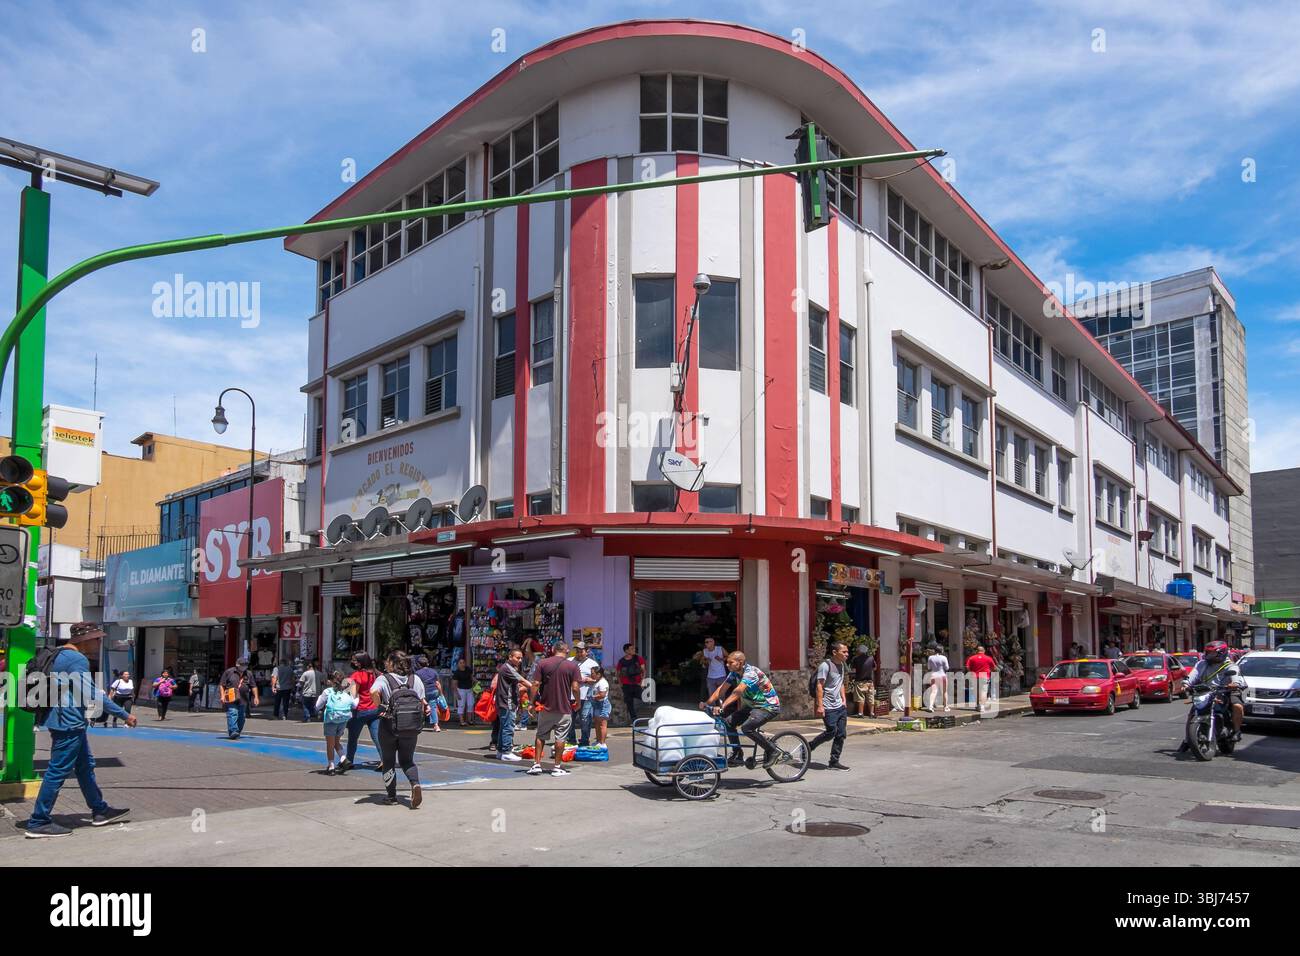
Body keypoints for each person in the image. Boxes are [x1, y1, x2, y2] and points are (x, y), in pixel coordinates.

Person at [25, 631, 137, 838]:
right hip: (69, 723)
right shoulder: (77, 659)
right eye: (96, 639)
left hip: (60, 718)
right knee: (57, 771)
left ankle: (100, 810)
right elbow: (91, 693)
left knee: (85, 766)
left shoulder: (59, 654)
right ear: (84, 641)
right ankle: (38, 821)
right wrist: (123, 715)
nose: (98, 642)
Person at [703, 651, 781, 768]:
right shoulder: (734, 673)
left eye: (730, 663)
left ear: (740, 663)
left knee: (747, 728)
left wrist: (722, 706)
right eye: (727, 663)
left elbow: (738, 691)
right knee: (728, 723)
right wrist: (706, 703)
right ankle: (737, 753)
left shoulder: (751, 673)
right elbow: (721, 689)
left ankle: (773, 751)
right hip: (751, 706)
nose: (727, 665)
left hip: (767, 707)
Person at [371, 651, 428, 807]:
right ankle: (415, 784)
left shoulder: (384, 678)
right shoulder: (415, 679)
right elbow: (422, 700)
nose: (385, 664)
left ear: (392, 663)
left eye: (387, 661)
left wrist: (380, 706)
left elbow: (373, 692)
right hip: (410, 725)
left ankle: (391, 796)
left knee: (388, 761)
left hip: (388, 724)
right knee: (407, 760)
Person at [528, 643, 581, 777]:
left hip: (545, 707)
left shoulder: (542, 663)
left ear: (553, 650)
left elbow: (535, 684)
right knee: (560, 738)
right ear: (566, 650)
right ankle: (557, 767)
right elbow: (575, 687)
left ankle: (537, 764)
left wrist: (531, 703)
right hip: (564, 709)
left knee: (540, 736)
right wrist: (578, 702)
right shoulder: (573, 666)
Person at [1183, 640, 1246, 743]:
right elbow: (1193, 675)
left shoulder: (1230, 665)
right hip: (1206, 692)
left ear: (1221, 653)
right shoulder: (1202, 664)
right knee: (1192, 713)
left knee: (1237, 706)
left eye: (1211, 653)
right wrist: (1186, 684)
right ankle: (1187, 739)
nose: (1208, 655)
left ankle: (1236, 731)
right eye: (1207, 652)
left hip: (1226, 690)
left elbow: (1236, 677)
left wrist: (1235, 684)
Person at [808, 641, 850, 771]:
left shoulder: (842, 665)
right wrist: (820, 706)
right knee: (831, 732)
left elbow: (840, 683)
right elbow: (819, 686)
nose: (847, 654)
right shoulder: (825, 666)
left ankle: (834, 761)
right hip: (828, 706)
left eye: (847, 652)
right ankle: (809, 746)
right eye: (844, 652)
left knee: (841, 734)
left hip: (840, 706)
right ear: (834, 652)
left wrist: (844, 699)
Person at [338, 653, 381, 773]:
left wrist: (345, 686)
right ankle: (385, 761)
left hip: (360, 711)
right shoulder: (376, 674)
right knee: (377, 737)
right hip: (374, 709)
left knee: (353, 738)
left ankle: (349, 760)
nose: (353, 663)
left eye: (355, 661)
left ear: (360, 662)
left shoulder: (357, 675)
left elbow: (352, 694)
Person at [495, 648, 532, 762]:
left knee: (504, 727)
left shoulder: (508, 668)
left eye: (521, 658)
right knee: (508, 727)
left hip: (505, 702)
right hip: (507, 702)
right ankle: (506, 751)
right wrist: (534, 687)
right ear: (510, 657)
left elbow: (517, 685)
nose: (520, 660)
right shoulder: (507, 668)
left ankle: (501, 751)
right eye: (517, 657)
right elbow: (523, 681)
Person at [316, 671, 357, 774]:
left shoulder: (327, 691)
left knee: (330, 744)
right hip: (343, 720)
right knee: (336, 742)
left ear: (331, 681)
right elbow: (354, 705)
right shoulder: (347, 692)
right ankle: (343, 758)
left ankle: (331, 766)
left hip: (330, 720)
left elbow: (318, 706)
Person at [567, 642, 599, 746]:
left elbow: (597, 680)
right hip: (570, 696)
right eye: (577, 651)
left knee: (585, 719)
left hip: (586, 696)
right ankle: (571, 740)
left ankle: (584, 740)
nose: (579, 653)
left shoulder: (592, 664)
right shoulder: (569, 661)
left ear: (587, 651)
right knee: (569, 719)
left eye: (581, 651)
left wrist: (586, 680)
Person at [219, 658, 260, 739]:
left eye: (246, 665)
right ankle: (233, 731)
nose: (244, 666)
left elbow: (253, 686)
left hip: (243, 699)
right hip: (231, 698)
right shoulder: (229, 672)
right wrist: (222, 695)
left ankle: (237, 731)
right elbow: (222, 685)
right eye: (243, 664)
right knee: (233, 713)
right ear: (237, 665)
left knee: (242, 717)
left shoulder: (249, 674)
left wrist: (256, 697)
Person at [616, 643, 646, 723]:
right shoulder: (621, 661)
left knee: (644, 698)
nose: (634, 650)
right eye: (631, 649)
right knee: (629, 703)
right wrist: (620, 684)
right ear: (626, 651)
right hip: (626, 685)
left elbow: (643, 671)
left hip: (637, 684)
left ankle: (647, 716)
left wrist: (642, 681)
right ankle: (634, 720)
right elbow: (618, 673)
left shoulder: (638, 658)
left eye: (634, 648)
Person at [413, 654, 443, 732]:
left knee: (421, 707)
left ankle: (419, 724)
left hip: (424, 692)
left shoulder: (417, 673)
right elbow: (437, 683)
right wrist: (440, 692)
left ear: (418, 664)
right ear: (428, 663)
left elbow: (417, 684)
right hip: (434, 691)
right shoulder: (434, 671)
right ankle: (436, 726)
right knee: (433, 707)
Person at [964, 645, 996, 713]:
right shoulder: (988, 658)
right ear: (983, 651)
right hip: (984, 676)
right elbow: (994, 667)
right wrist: (990, 671)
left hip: (974, 676)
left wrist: (971, 671)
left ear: (976, 651)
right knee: (984, 692)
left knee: (976, 691)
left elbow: (967, 667)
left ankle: (977, 705)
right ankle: (982, 707)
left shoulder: (971, 658)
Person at [848, 644, 876, 719]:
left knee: (861, 698)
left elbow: (853, 670)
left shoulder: (855, 659)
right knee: (871, 697)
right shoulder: (871, 658)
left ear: (859, 651)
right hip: (870, 681)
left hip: (860, 681)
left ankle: (860, 713)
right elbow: (875, 668)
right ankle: (872, 713)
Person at [589, 665, 611, 748]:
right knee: (597, 724)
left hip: (602, 705)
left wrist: (592, 697)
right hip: (597, 704)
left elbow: (602, 695)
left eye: (593, 673)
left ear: (599, 674)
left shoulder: (602, 682)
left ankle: (602, 743)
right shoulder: (597, 681)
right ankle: (598, 741)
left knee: (602, 724)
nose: (591, 675)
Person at [925, 644, 950, 713]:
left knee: (933, 692)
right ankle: (946, 707)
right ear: (941, 650)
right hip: (942, 676)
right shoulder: (944, 658)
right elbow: (947, 668)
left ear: (934, 650)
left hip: (934, 675)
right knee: (944, 692)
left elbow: (929, 668)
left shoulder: (930, 658)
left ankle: (930, 706)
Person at [451, 657, 475, 726]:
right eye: (460, 663)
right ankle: (462, 721)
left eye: (463, 662)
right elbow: (454, 684)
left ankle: (469, 720)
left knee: (471, 704)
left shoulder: (468, 669)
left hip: (469, 689)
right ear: (458, 664)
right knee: (461, 705)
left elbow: (471, 677)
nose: (462, 664)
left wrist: (475, 681)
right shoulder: (456, 673)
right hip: (461, 690)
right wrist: (456, 693)